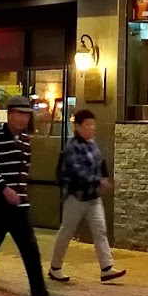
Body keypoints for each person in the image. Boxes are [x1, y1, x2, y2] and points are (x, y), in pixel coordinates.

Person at [0, 97, 61, 296]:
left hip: (18, 207)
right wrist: (5, 190)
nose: (24, 119)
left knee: (31, 251)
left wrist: (22, 196)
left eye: (27, 115)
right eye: (20, 114)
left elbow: (24, 173)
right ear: (10, 114)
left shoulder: (25, 141)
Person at [47, 110, 126, 284]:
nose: (91, 129)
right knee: (67, 231)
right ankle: (55, 267)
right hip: (76, 196)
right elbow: (78, 172)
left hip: (93, 196)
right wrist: (100, 181)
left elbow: (100, 162)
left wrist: (103, 177)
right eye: (87, 125)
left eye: (93, 125)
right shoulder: (71, 147)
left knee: (100, 231)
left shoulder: (92, 144)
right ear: (77, 127)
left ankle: (106, 268)